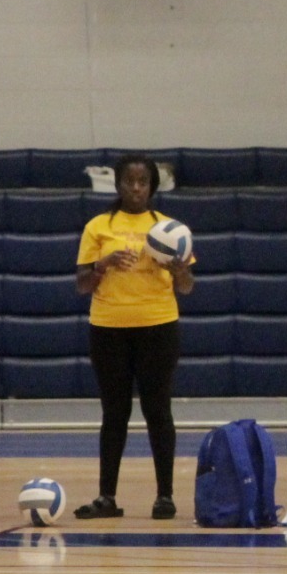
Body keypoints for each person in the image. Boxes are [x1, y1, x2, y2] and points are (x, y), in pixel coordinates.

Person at [74, 154, 194, 521]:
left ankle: (165, 497)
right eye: (130, 181)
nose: (136, 188)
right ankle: (107, 497)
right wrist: (103, 264)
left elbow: (187, 287)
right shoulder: (98, 226)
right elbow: (81, 285)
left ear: (152, 187)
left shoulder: (170, 228)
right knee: (115, 414)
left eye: (143, 182)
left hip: (158, 327)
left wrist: (177, 271)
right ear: (119, 184)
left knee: (158, 411)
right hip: (108, 329)